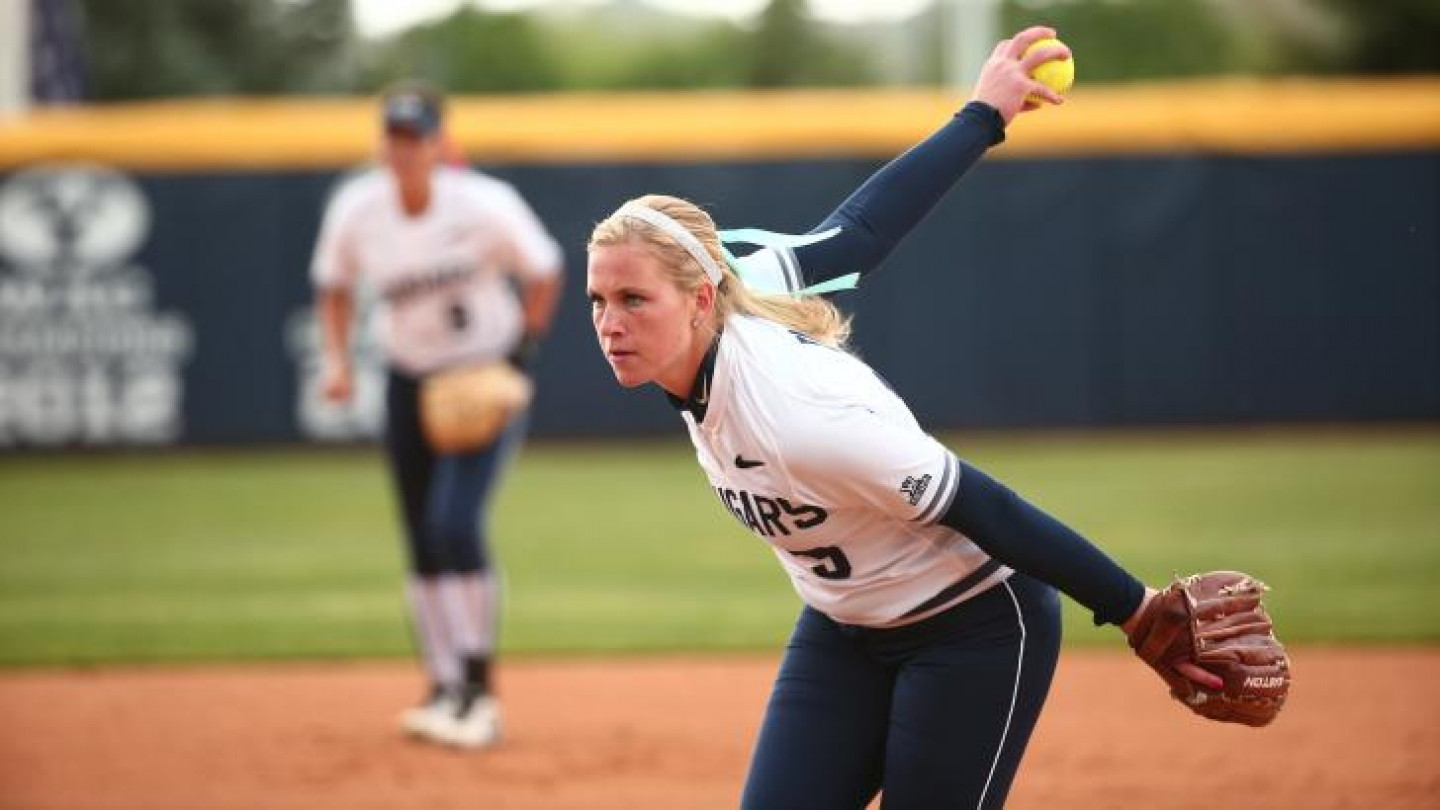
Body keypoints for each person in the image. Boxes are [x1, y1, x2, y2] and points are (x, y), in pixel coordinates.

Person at [585, 27, 1223, 808]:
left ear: (698, 299)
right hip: (842, 631)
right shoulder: (729, 293)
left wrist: (1139, 611)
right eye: (599, 300)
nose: (609, 323)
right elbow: (860, 232)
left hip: (975, 627)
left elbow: (987, 507)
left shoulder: (798, 414)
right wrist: (983, 115)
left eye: (632, 299)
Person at [310, 81, 564, 749]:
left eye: (415, 138)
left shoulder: (484, 204)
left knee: (455, 523)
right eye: (392, 138)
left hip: (482, 374)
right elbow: (333, 286)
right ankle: (442, 685)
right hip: (407, 378)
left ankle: (479, 691)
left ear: (439, 143)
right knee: (421, 535)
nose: (402, 150)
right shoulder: (358, 209)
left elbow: (545, 269)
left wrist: (520, 357)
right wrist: (337, 363)